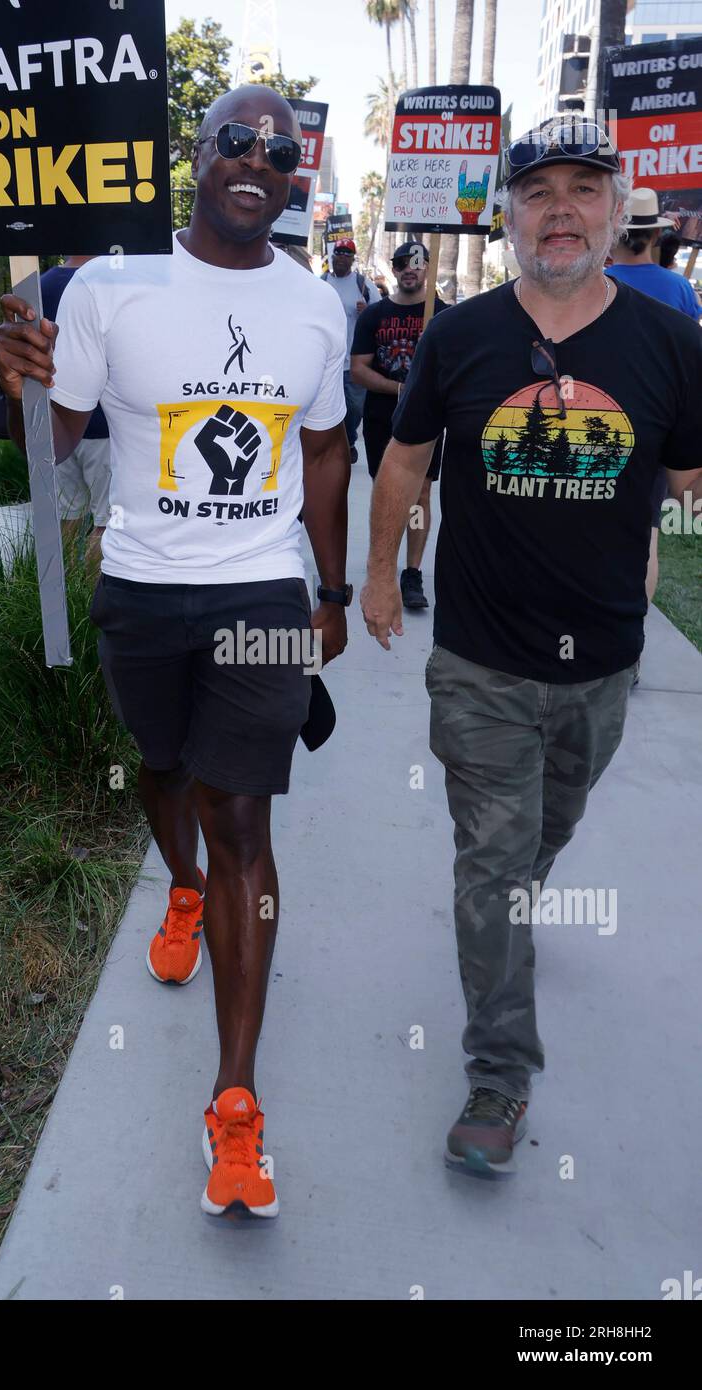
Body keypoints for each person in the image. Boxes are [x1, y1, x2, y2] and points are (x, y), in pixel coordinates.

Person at [0, 85, 352, 1219]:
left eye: (280, 151)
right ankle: (183, 889)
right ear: (193, 157)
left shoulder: (317, 307)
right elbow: (47, 445)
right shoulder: (111, 284)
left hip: (258, 590)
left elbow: (332, 449)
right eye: (235, 142)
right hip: (141, 588)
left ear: (299, 175)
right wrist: (17, 388)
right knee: (164, 773)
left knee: (242, 811)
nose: (257, 160)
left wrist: (331, 589)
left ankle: (234, 1103)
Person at [361, 117, 702, 1179]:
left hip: (603, 658)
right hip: (480, 658)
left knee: (549, 827)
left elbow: (691, 488)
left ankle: (510, 908)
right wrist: (378, 574)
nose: (560, 209)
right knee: (495, 856)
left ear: (618, 205)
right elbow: (405, 464)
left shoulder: (670, 348)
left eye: (582, 189)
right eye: (537, 191)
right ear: (505, 215)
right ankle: (498, 1075)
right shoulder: (460, 336)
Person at [0, 255, 111, 578]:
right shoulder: (111, 283)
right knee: (106, 523)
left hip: (54, 424)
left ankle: (60, 588)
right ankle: (88, 600)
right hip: (104, 428)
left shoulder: (38, 288)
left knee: (66, 517)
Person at [607, 188, 701, 608]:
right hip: (661, 421)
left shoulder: (598, 284)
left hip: (601, 417)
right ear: (656, 237)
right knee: (647, 536)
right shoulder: (680, 291)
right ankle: (633, 637)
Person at [351, 241, 446, 610]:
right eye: (404, 263)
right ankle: (384, 563)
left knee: (420, 494)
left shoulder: (443, 316)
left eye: (419, 263)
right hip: (382, 418)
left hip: (427, 420)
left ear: (427, 269)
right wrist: (401, 387)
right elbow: (359, 369)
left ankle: (412, 572)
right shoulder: (374, 316)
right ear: (394, 269)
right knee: (388, 492)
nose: (412, 269)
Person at [322, 239, 380, 463]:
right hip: (327, 360)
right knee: (327, 406)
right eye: (338, 253)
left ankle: (349, 439)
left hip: (354, 360)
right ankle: (337, 445)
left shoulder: (362, 284)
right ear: (332, 256)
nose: (342, 257)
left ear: (352, 259)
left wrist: (367, 311)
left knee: (355, 408)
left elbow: (379, 313)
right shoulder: (322, 282)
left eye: (347, 254)